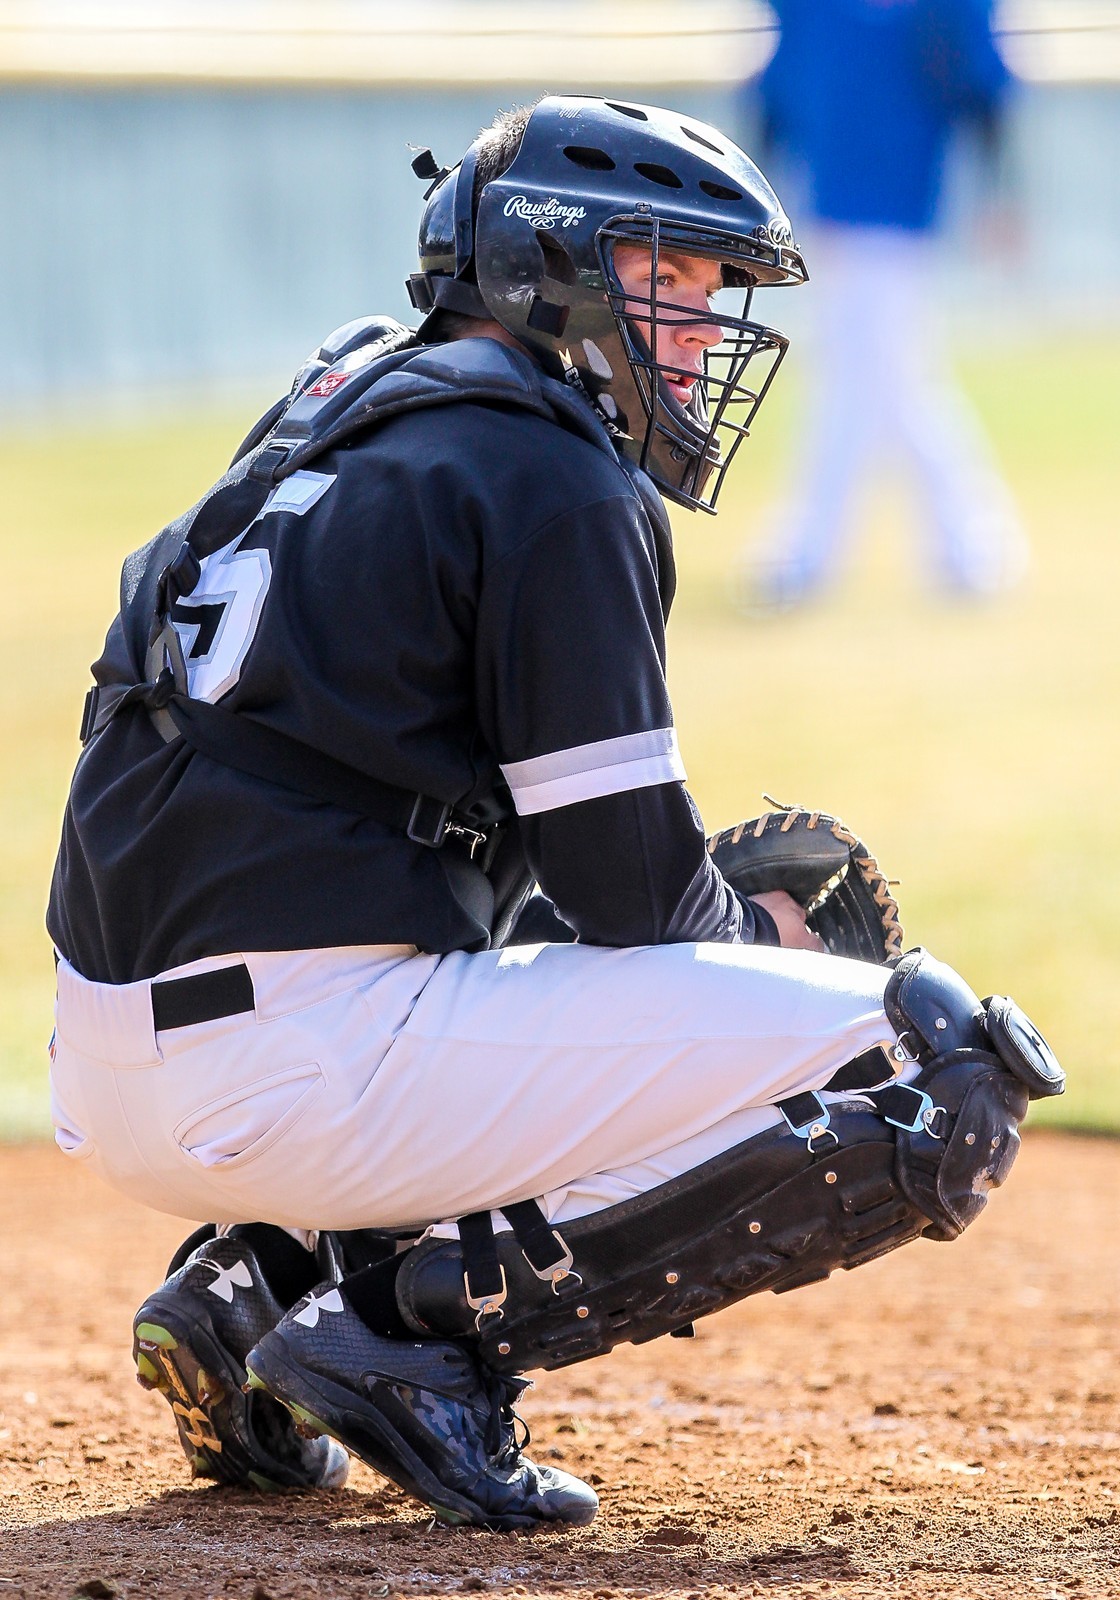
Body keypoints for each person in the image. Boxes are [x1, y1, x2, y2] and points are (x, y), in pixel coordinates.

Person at [47, 95, 1049, 1529]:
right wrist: (758, 936)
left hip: (113, 1058)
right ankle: (414, 1337)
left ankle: (246, 1293)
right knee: (927, 1063)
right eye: (675, 281)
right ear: (549, 265)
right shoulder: (552, 471)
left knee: (493, 951)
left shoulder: (345, 406)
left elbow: (393, 818)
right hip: (296, 1064)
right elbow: (637, 899)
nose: (704, 333)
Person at [739, 0, 1027, 609]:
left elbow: (985, 90)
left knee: (870, 379)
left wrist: (1000, 193)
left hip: (899, 204)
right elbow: (777, 89)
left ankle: (821, 549)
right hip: (825, 201)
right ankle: (965, 543)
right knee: (880, 377)